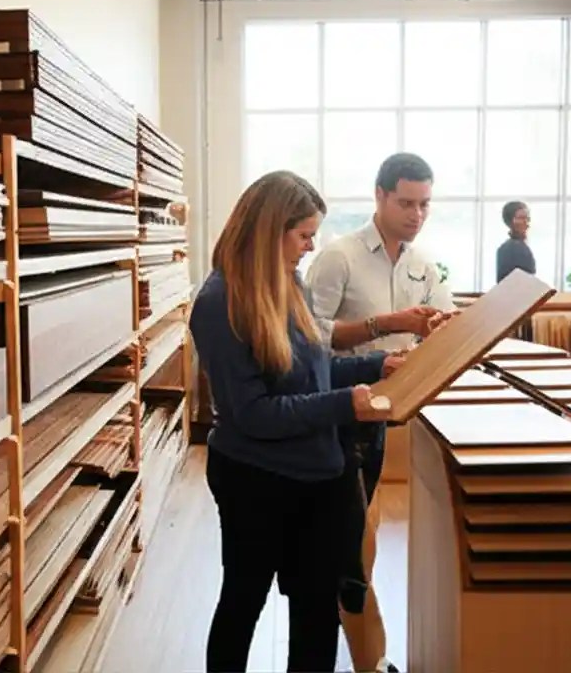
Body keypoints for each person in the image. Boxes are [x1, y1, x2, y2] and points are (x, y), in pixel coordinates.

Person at [190, 170, 402, 673]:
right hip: (255, 481)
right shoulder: (220, 302)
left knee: (315, 610)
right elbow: (254, 414)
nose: (310, 246)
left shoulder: (292, 285)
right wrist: (344, 405)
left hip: (317, 476)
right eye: (304, 235)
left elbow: (313, 373)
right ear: (269, 231)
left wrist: (377, 366)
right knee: (244, 600)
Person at [304, 152, 457, 673]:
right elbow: (309, 338)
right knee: (344, 537)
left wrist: (443, 328)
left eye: (425, 204)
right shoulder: (337, 256)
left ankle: (356, 645)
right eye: (407, 202)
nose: (417, 214)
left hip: (391, 415)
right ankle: (351, 648)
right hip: (339, 412)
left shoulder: (423, 266)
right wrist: (383, 323)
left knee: (360, 526)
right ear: (380, 195)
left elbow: (444, 324)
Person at [495, 200, 536, 282]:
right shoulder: (509, 249)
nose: (526, 223)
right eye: (521, 218)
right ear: (510, 221)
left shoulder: (522, 246)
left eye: (527, 218)